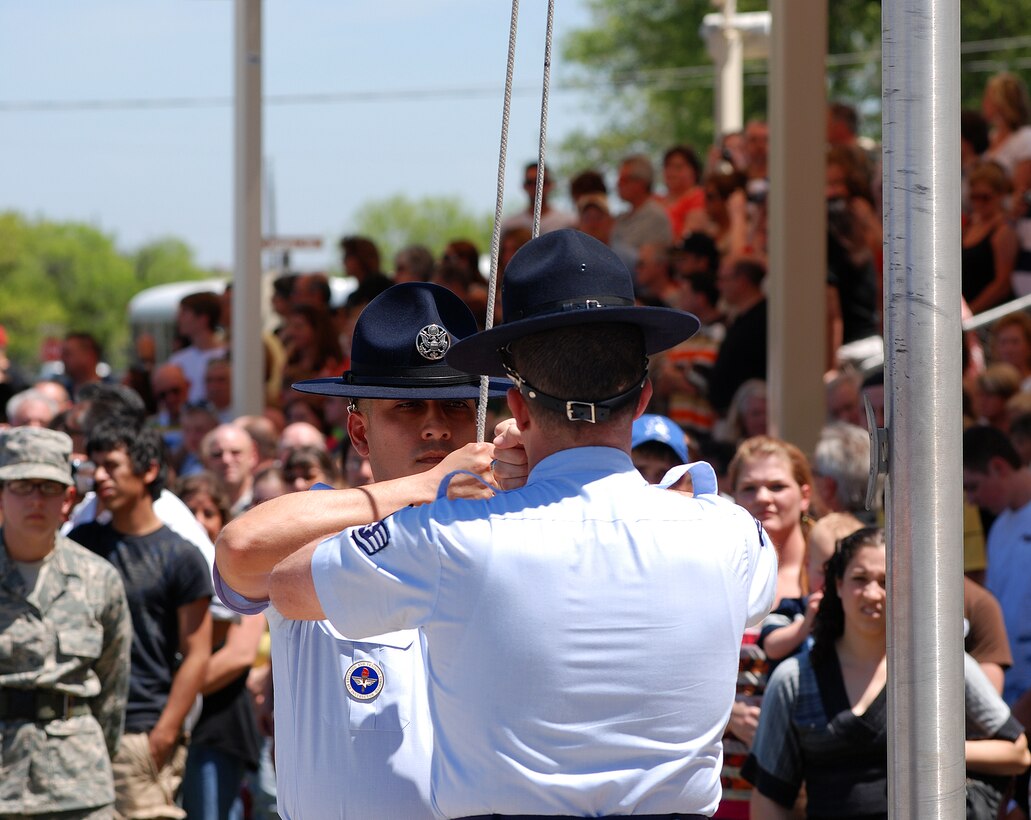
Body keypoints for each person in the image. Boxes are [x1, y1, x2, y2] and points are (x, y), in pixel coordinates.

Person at [267, 229, 777, 818]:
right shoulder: (728, 533)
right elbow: (756, 592)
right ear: (642, 401)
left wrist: (447, 496)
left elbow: (288, 584)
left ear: (516, 406)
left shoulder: (453, 538)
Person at [214, 282, 512, 819]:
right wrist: (422, 488)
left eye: (458, 407)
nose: (434, 426)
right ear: (358, 430)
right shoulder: (317, 524)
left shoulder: (508, 525)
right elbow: (239, 549)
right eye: (406, 406)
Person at [744, 527, 1031, 820]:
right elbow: (770, 796)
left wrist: (931, 752)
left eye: (886, 581)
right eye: (859, 579)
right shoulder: (794, 680)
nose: (872, 593)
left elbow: (1018, 753)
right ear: (838, 584)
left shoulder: (941, 666)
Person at [68, 419, 213, 820]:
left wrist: (163, 735)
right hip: (79, 729)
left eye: (111, 465)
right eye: (94, 466)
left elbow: (197, 654)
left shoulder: (182, 555)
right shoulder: (80, 545)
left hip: (140, 732)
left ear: (148, 470)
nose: (99, 477)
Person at [0, 427, 132, 818]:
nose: (36, 499)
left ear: (69, 498)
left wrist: (94, 756)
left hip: (77, 784)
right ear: (1, 493)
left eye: (49, 487)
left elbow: (113, 686)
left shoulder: (98, 577)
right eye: (23, 486)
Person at [175, 473, 263, 820]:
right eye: (190, 510)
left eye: (209, 512)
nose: (199, 521)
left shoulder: (238, 572)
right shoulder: (171, 566)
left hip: (216, 727)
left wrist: (173, 700)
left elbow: (239, 655)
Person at [168, 292, 227, 405]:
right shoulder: (177, 360)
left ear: (203, 318)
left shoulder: (228, 356)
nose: (178, 318)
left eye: (184, 312)